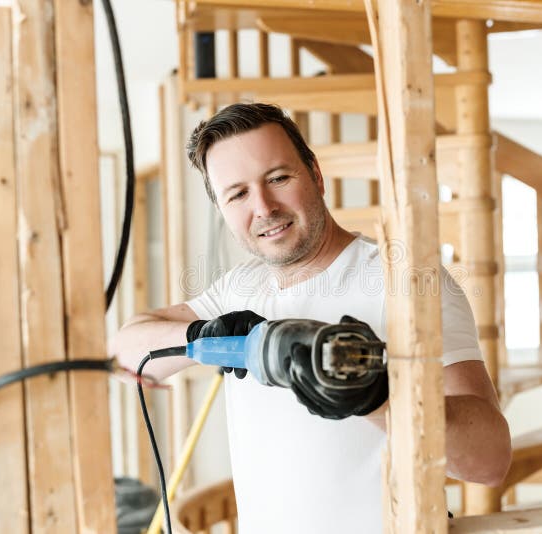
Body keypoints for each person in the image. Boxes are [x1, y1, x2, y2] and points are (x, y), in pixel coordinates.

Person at [110, 103, 511, 533]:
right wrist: (203, 334)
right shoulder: (238, 291)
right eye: (238, 194)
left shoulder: (405, 282)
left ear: (315, 175)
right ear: (223, 210)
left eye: (278, 178)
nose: (263, 207)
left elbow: (490, 459)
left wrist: (375, 396)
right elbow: (122, 352)